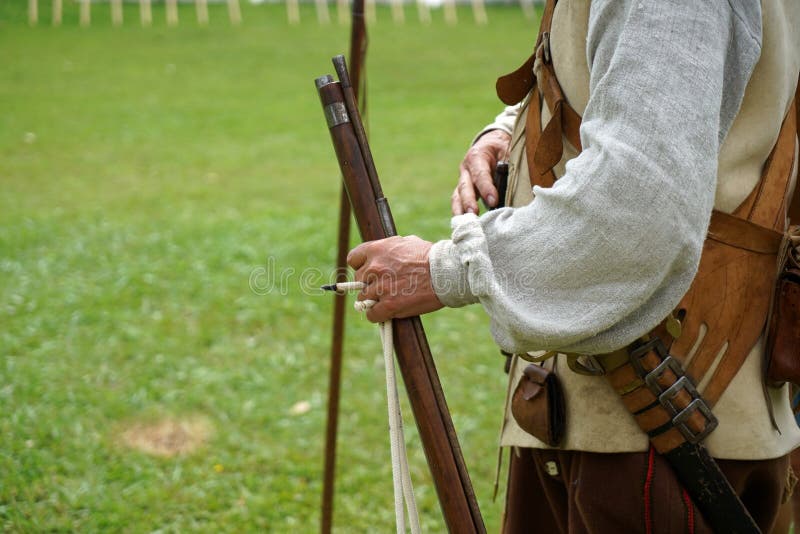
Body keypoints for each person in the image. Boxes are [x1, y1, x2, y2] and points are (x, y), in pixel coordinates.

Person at [347, 0, 800, 531]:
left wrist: (445, 269)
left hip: (662, 427)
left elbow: (636, 201)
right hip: (608, 419)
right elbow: (656, 92)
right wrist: (510, 131)